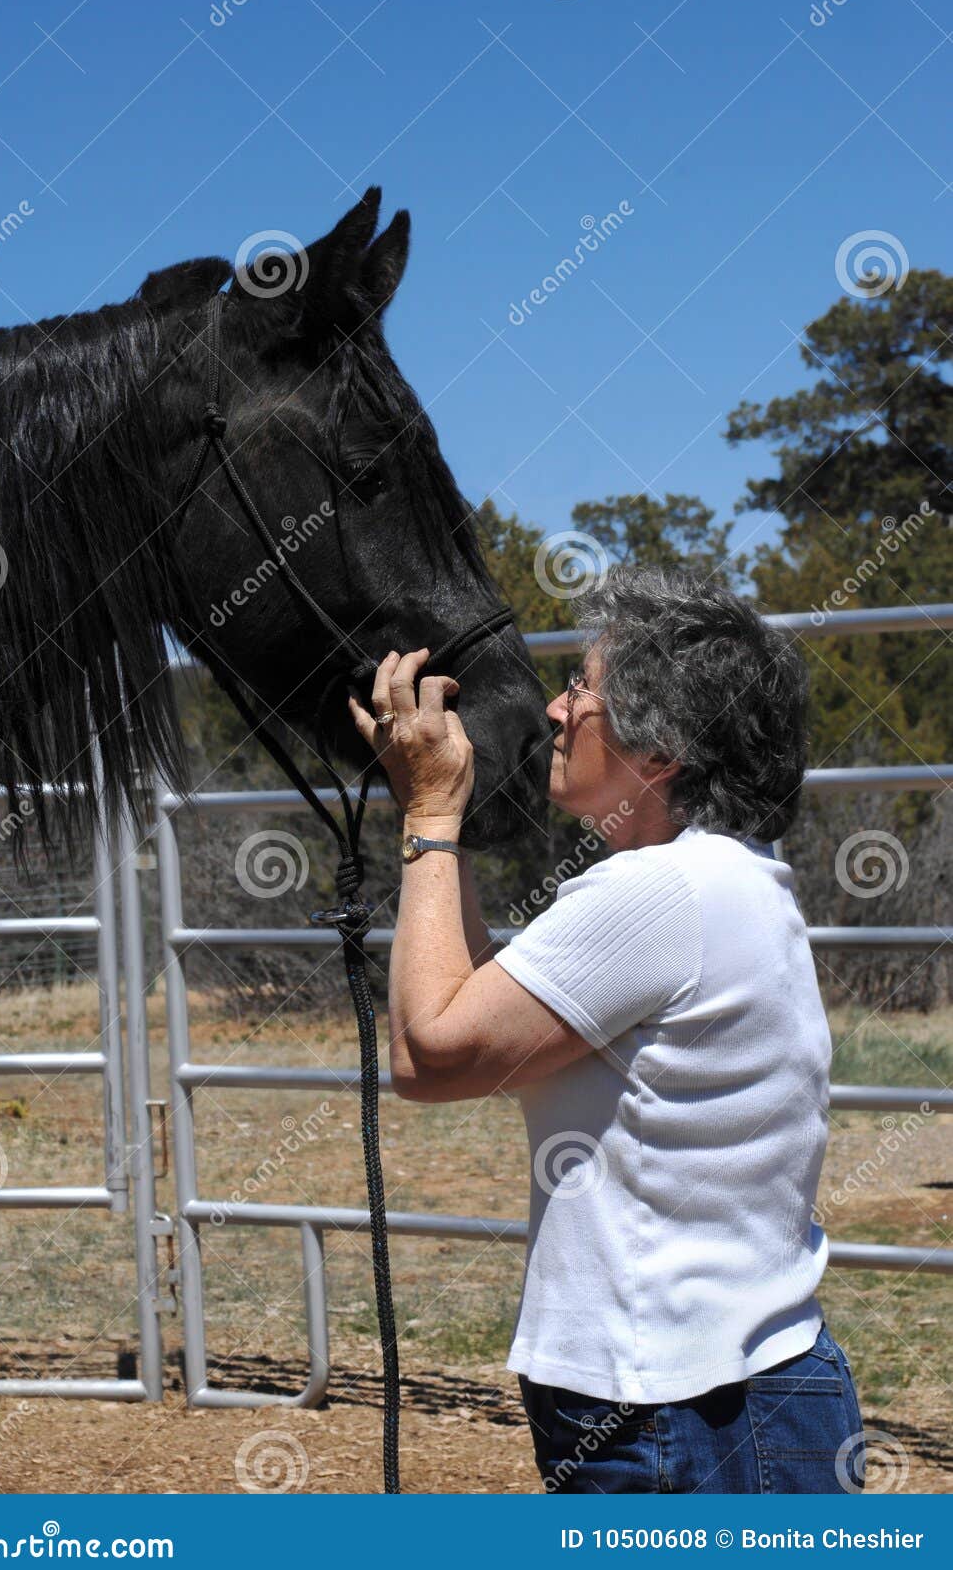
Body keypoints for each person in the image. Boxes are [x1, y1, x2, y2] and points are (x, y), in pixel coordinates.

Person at [347, 565, 865, 1495]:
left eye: (580, 688)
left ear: (660, 748)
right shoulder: (723, 877)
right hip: (724, 1396)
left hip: (678, 1413)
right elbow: (474, 1017)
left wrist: (428, 813)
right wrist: (436, 824)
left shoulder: (657, 892)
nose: (554, 708)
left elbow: (431, 1056)